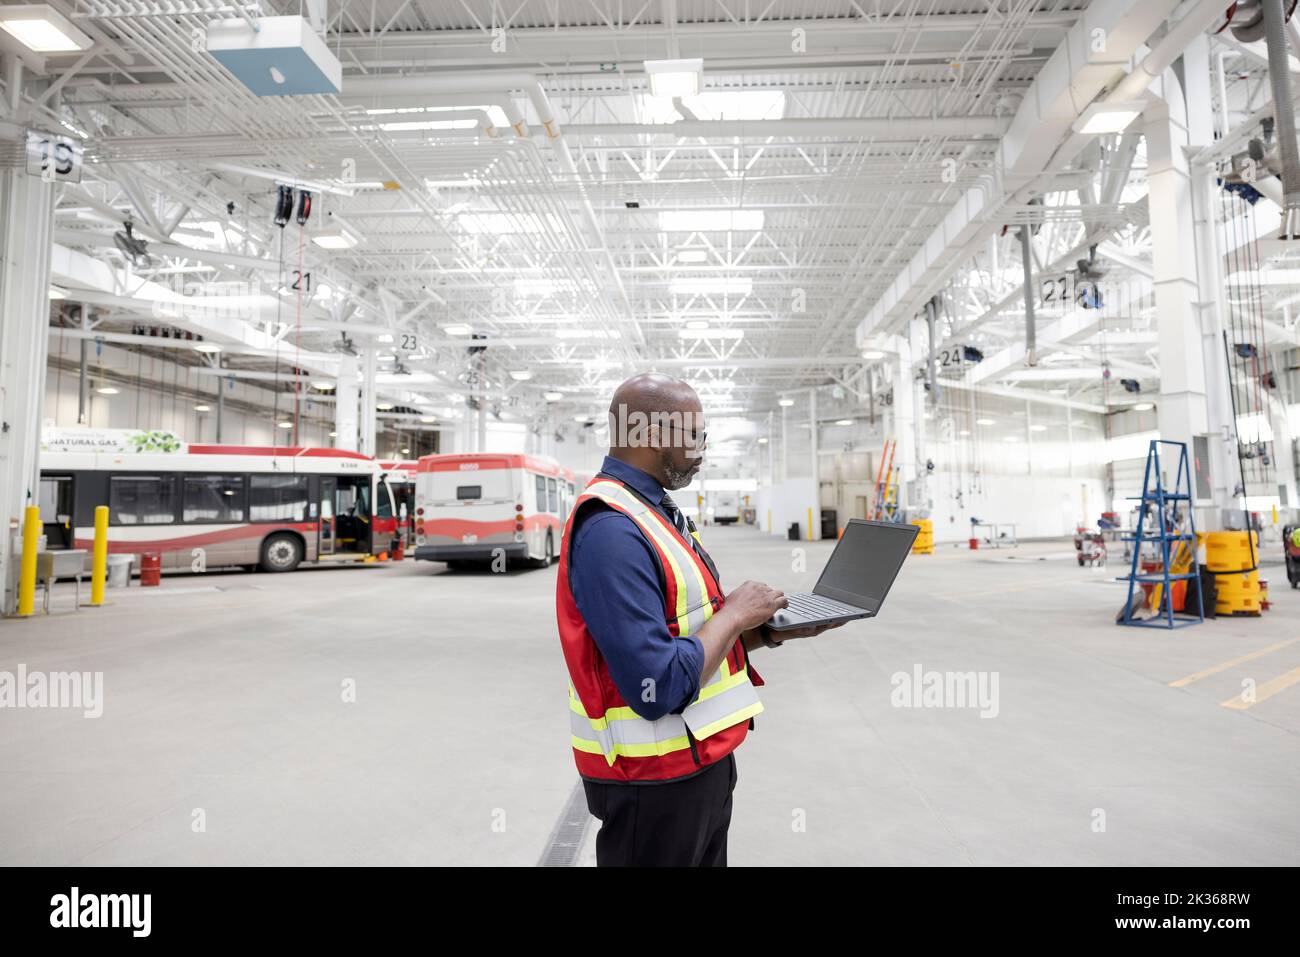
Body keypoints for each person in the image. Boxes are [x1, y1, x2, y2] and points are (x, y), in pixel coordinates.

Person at [555, 373, 840, 866]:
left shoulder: (654, 512)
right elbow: (656, 683)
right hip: (654, 785)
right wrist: (733, 613)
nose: (701, 450)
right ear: (648, 435)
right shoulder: (611, 530)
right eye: (694, 436)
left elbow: (683, 635)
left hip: (697, 765)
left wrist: (761, 632)